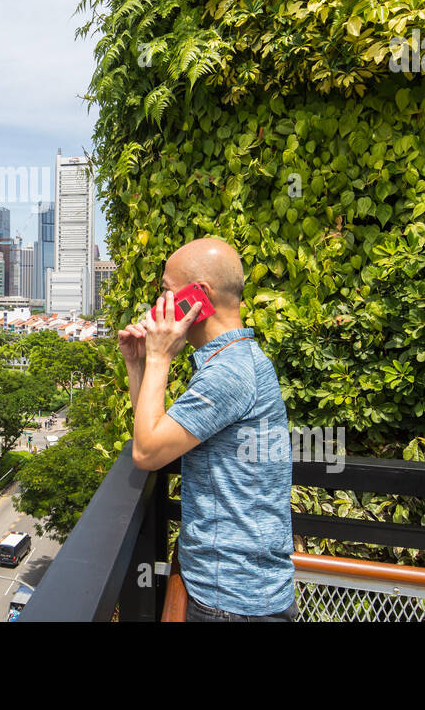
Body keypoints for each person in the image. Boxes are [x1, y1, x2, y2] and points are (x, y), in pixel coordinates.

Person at [118, 237, 296, 622]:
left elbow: (145, 454)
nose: (160, 303)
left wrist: (161, 355)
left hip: (232, 602)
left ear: (198, 297)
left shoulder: (229, 373)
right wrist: (139, 365)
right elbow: (157, 438)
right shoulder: (232, 361)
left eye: (167, 291)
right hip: (231, 592)